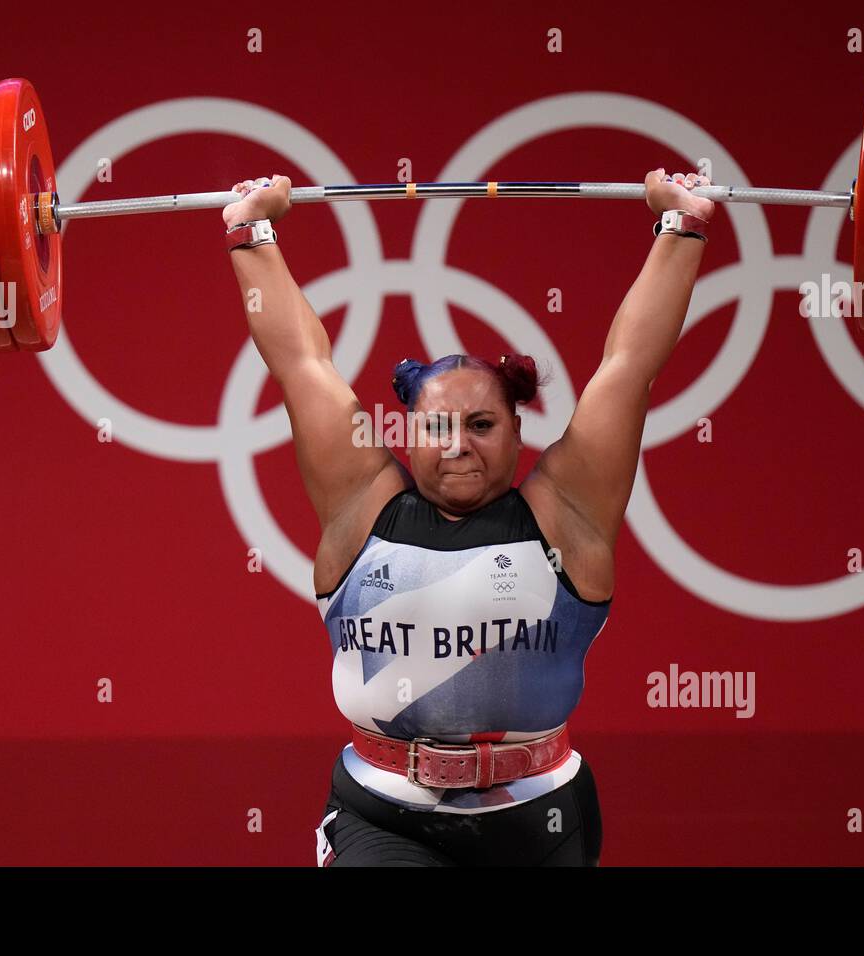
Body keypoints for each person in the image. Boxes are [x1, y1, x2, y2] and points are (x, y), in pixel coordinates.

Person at [223, 168, 714, 866]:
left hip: (541, 816)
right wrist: (252, 230)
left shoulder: (568, 512)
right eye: (437, 427)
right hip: (383, 813)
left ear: (518, 433)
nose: (457, 445)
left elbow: (629, 366)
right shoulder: (359, 505)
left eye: (481, 424)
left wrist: (681, 225)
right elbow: (301, 362)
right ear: (406, 434)